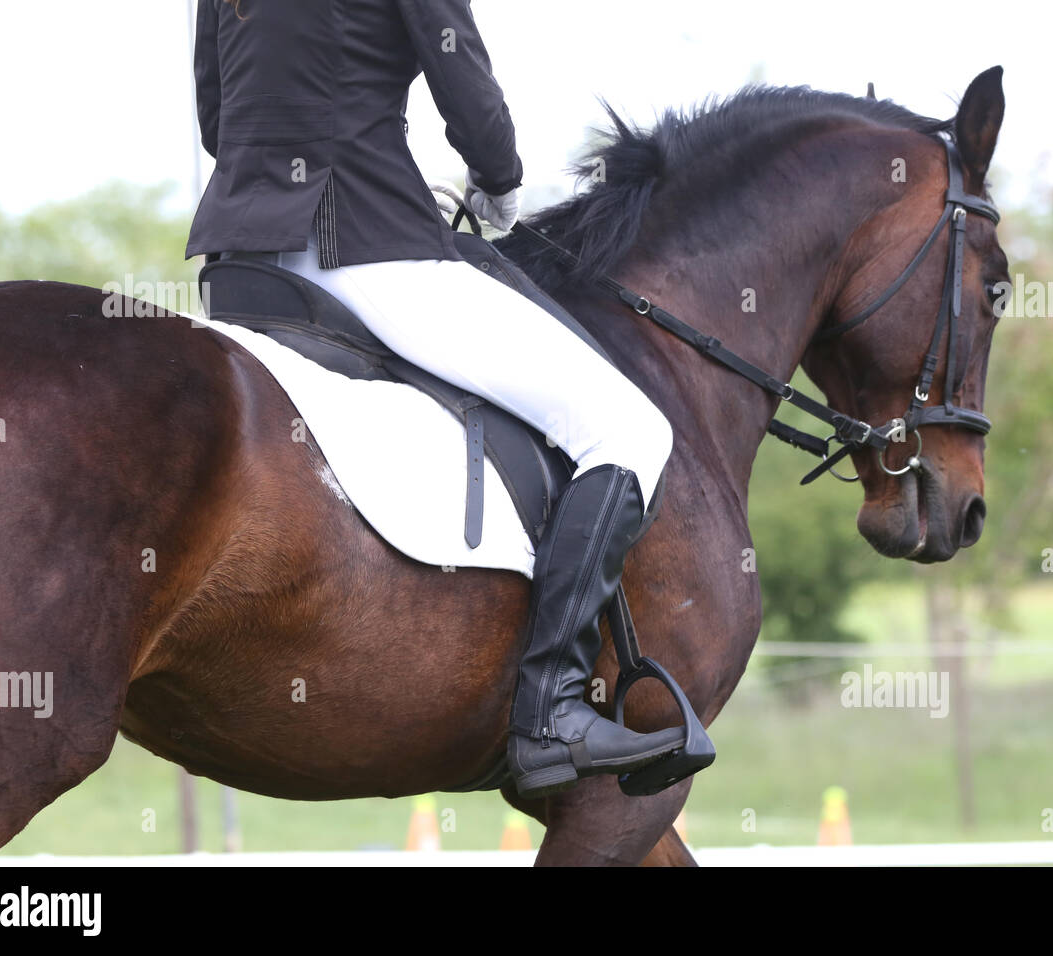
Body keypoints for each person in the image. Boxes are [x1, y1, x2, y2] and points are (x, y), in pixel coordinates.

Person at [187, 0, 684, 798]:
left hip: (245, 262)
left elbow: (217, 116)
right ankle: (551, 710)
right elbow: (468, 90)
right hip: (370, 246)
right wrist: (499, 183)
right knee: (626, 430)